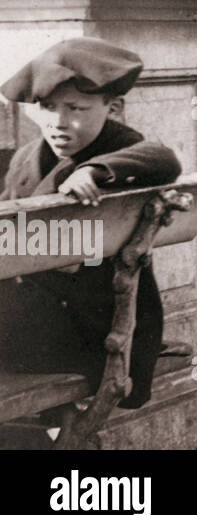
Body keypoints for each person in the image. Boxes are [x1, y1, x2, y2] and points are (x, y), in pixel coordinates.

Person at [0, 37, 181, 409]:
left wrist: (96, 171)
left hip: (92, 331)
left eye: (75, 108)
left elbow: (163, 157)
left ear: (112, 108)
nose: (59, 123)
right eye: (48, 108)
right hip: (49, 315)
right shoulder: (28, 157)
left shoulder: (119, 147)